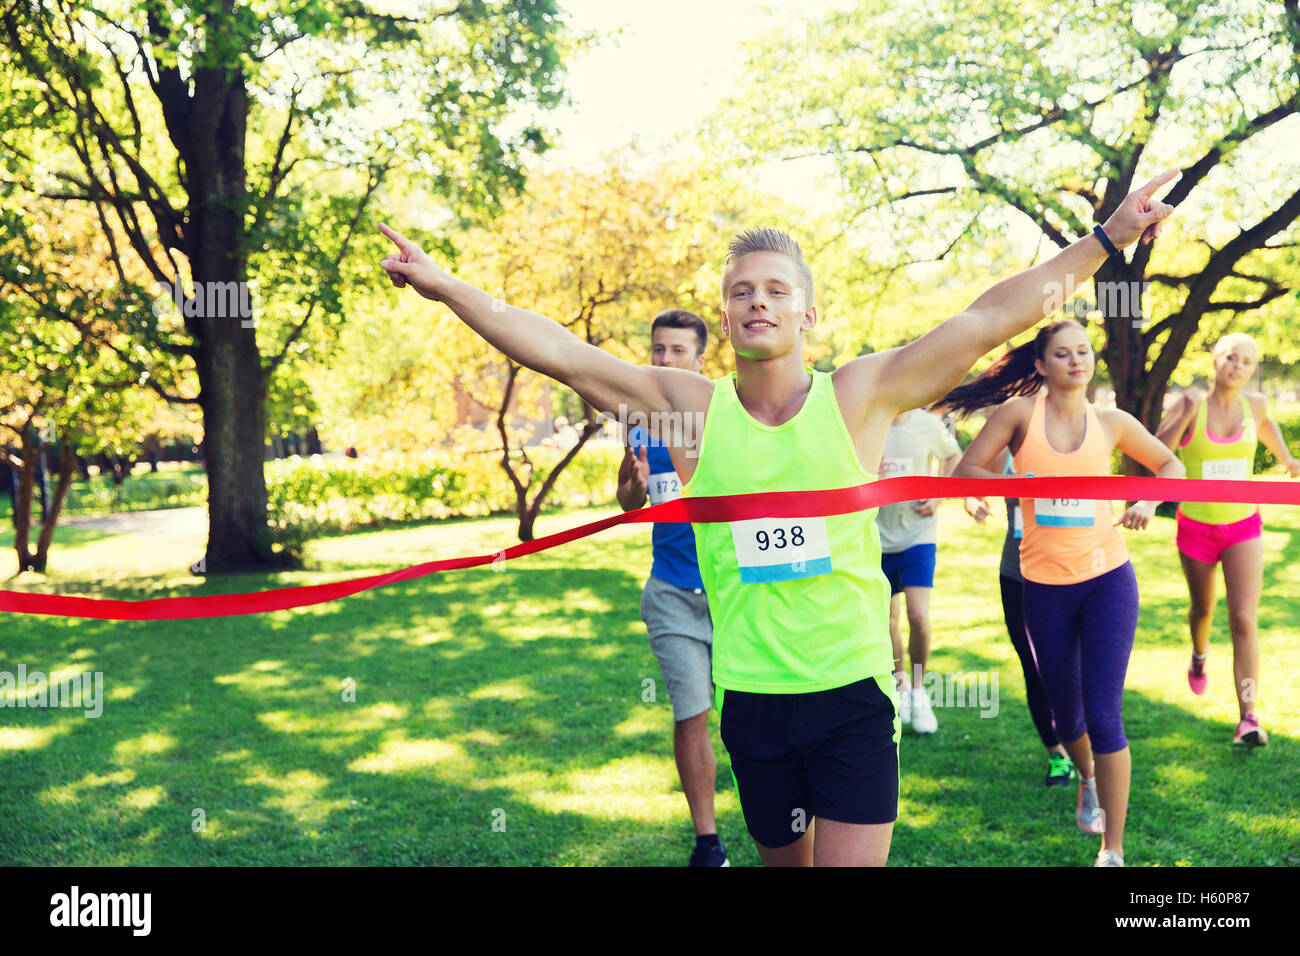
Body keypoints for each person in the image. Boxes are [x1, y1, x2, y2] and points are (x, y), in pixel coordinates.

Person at [377, 169, 1175, 867]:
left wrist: (1105, 238)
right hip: (754, 699)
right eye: (740, 292)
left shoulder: (858, 396)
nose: (757, 300)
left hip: (854, 693)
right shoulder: (686, 408)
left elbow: (987, 318)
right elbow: (557, 351)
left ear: (808, 315)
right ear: (723, 319)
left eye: (776, 290)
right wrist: (446, 285)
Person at [944, 320, 1185, 868]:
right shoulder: (1018, 416)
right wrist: (1013, 488)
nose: (1077, 361)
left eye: (1084, 351)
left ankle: (1113, 849)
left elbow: (1172, 465)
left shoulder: (1113, 422)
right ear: (1040, 365)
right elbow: (967, 471)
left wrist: (1148, 499)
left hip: (1107, 581)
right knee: (1065, 716)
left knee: (1104, 714)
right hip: (1044, 588)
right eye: (1063, 353)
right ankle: (1088, 778)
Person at [615, 308, 728, 866]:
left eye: (678, 351)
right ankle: (708, 842)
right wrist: (630, 485)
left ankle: (777, 819)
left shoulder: (724, 418)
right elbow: (630, 501)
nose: (664, 360)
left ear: (700, 361)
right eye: (658, 349)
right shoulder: (639, 422)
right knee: (691, 711)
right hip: (670, 594)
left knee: (754, 715)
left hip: (733, 594)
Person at [1154, 332, 1300, 747]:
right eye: (1231, 357)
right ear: (1215, 359)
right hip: (1196, 528)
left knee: (1243, 619)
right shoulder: (1191, 404)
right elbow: (1156, 451)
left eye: (1247, 361)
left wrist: (1287, 459)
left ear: (1253, 368)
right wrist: (1181, 417)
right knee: (1203, 609)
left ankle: (1249, 717)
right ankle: (1199, 655)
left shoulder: (1255, 405)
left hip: (1243, 526)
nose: (1237, 366)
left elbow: (1267, 427)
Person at [875, 408, 973, 733]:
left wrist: (938, 496)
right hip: (875, 536)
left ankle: (918, 691)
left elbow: (953, 457)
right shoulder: (867, 421)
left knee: (918, 616)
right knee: (887, 621)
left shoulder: (927, 423)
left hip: (918, 533)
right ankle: (900, 687)